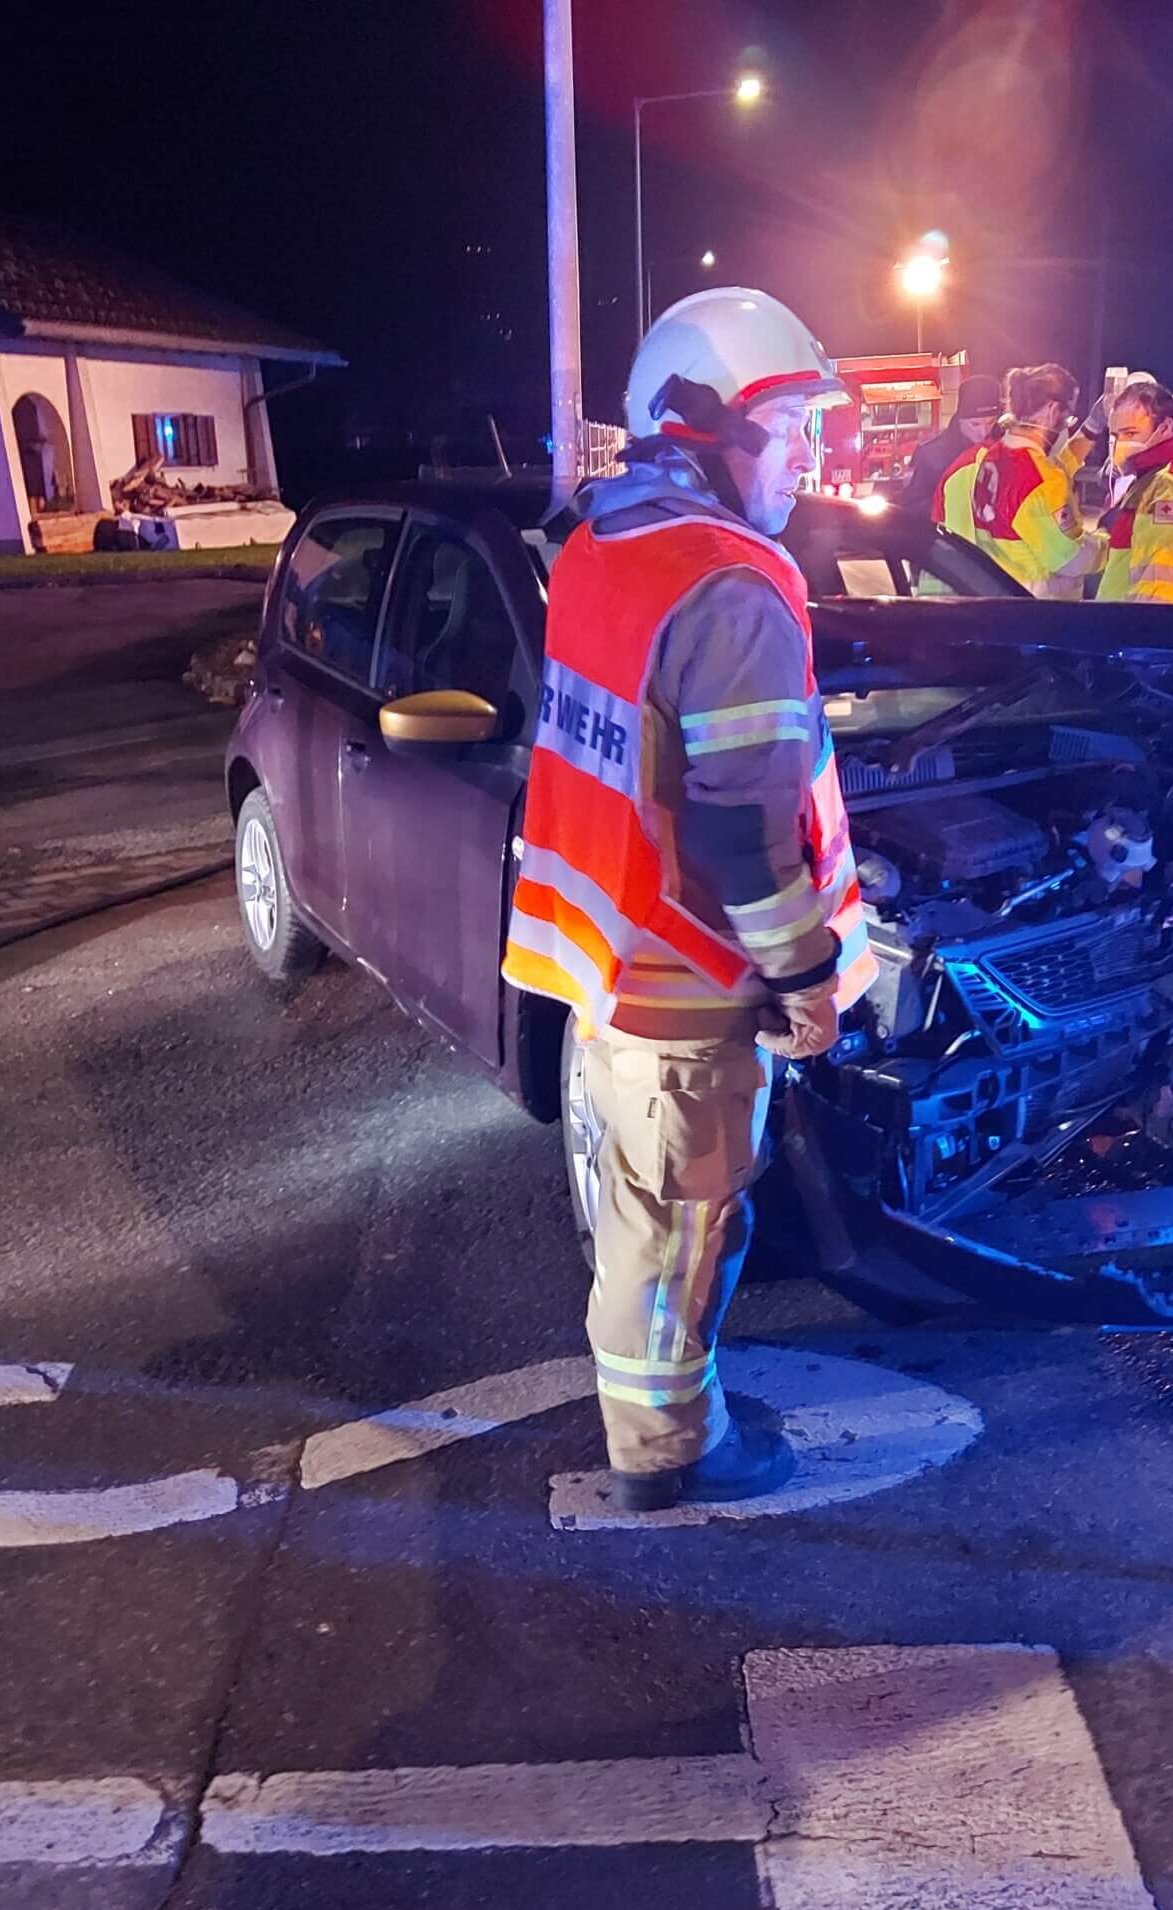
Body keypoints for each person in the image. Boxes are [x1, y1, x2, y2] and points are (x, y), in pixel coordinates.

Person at [501, 287, 876, 1516]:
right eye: (792, 427)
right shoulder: (730, 587)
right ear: (702, 430)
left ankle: (661, 1421)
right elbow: (736, 822)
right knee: (681, 1232)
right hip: (687, 980)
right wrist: (808, 979)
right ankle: (670, 1452)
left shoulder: (600, 547)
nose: (814, 458)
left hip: (609, 961)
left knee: (643, 1215)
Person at [946, 363, 1089, 596]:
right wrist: (1107, 543)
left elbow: (1055, 468)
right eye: (1068, 417)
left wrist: (1091, 430)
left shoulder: (993, 458)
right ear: (1052, 410)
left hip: (1000, 595)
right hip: (1040, 608)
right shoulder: (1039, 476)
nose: (1065, 425)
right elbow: (1067, 559)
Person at [1093, 381, 1173, 606]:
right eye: (1115, 435)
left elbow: (1157, 583)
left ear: (1165, 427)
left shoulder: (1167, 484)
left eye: (1130, 433)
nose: (1120, 444)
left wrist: (1142, 637)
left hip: (1134, 628)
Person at [899, 372, 1002, 521]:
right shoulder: (929, 454)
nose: (983, 432)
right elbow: (911, 507)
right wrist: (953, 504)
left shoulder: (1006, 448)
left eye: (991, 422)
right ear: (960, 420)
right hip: (951, 541)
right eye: (975, 424)